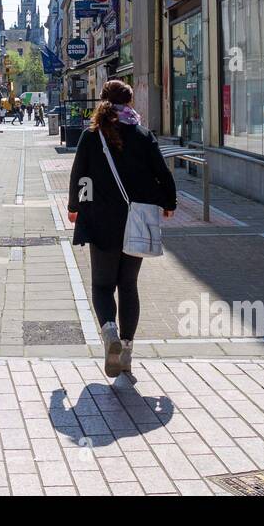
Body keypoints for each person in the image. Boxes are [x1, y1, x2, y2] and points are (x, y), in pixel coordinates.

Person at [67, 80, 177, 380]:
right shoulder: (142, 134)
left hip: (102, 221)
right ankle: (126, 350)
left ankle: (109, 332)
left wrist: (74, 206)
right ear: (130, 103)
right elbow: (161, 171)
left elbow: (79, 174)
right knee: (128, 285)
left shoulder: (92, 135)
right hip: (137, 222)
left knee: (102, 286)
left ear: (103, 100)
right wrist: (169, 202)